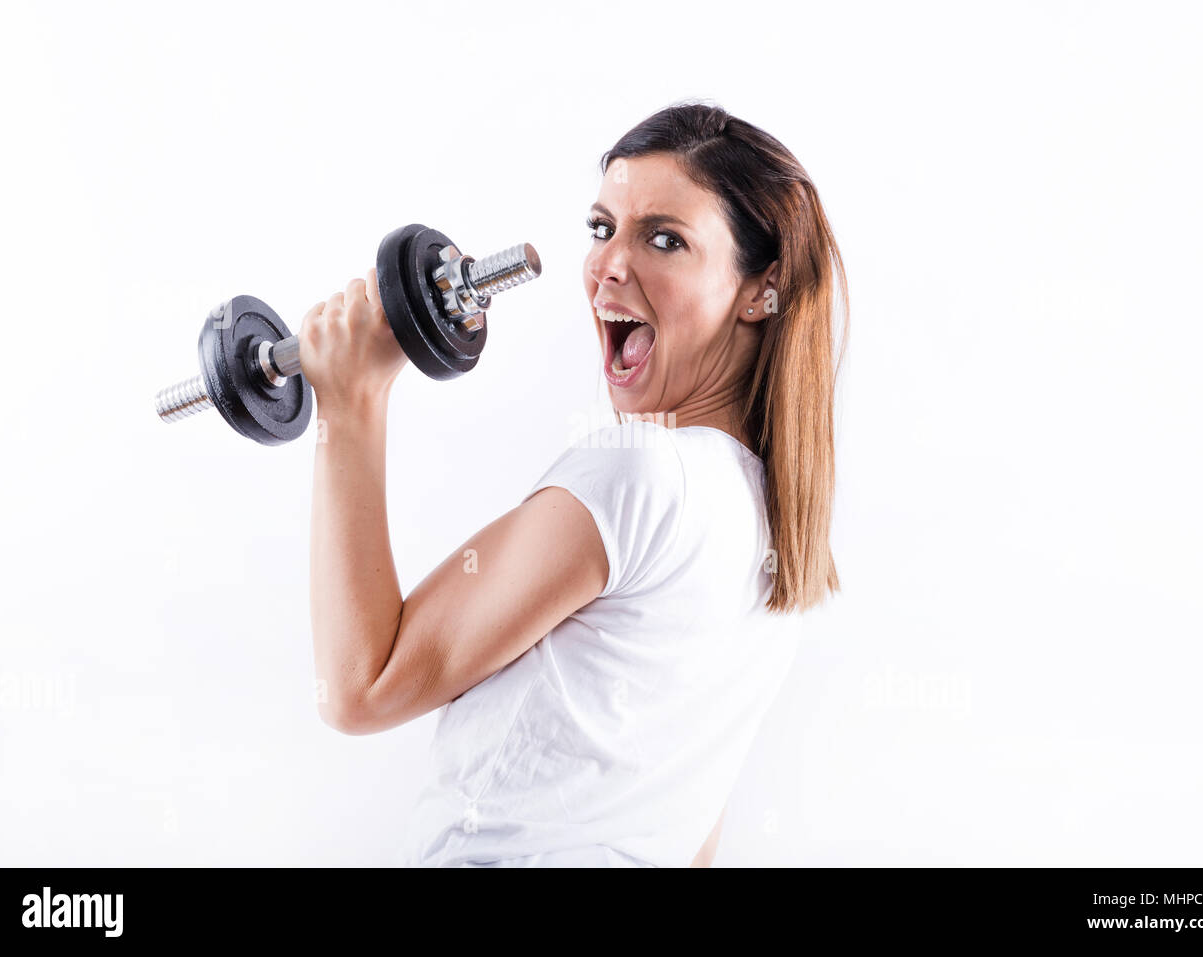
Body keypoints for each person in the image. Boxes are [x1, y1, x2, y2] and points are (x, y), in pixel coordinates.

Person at [297, 100, 849, 867]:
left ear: (763, 288)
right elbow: (691, 844)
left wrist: (351, 402)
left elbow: (360, 687)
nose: (609, 265)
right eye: (602, 228)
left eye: (665, 238)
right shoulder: (776, 536)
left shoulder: (641, 472)